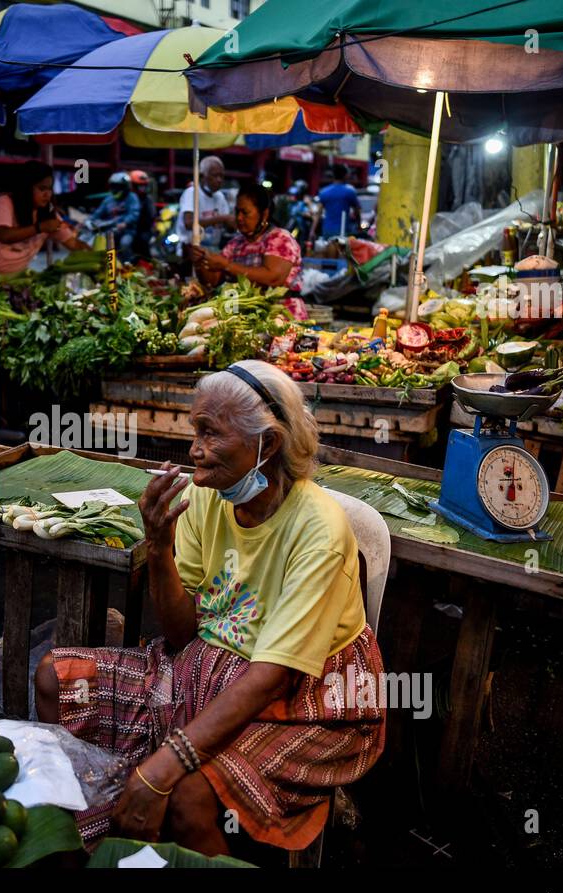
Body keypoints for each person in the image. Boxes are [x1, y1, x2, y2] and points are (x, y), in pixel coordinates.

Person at [35, 360, 385, 856]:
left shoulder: (318, 530)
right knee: (56, 678)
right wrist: (158, 547)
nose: (194, 450)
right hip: (202, 671)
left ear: (268, 445)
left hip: (306, 700)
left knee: (187, 795)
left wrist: (165, 765)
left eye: (210, 434)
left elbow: (274, 675)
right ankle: (98, 838)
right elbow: (181, 634)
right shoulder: (210, 495)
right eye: (194, 431)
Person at [191, 181, 309, 322]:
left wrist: (227, 265)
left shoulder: (280, 238)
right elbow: (213, 280)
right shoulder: (236, 243)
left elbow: (273, 277)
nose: (239, 218)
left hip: (283, 317)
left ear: (264, 214)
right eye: (237, 212)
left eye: (245, 212)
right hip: (248, 319)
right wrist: (200, 262)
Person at [0, 160, 88, 277]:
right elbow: (4, 236)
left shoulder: (48, 212)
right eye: (42, 189)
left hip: (12, 279)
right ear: (26, 187)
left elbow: (72, 243)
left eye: (50, 189)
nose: (47, 194)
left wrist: (99, 256)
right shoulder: (3, 203)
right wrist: (40, 227)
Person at [177, 155, 234, 254]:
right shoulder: (192, 193)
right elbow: (188, 223)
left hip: (212, 249)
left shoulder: (220, 197)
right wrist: (222, 218)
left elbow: (228, 224)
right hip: (191, 250)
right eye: (215, 176)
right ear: (202, 176)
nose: (219, 180)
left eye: (221, 176)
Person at [89, 172, 142, 261]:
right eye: (113, 186)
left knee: (124, 244)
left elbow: (134, 213)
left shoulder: (132, 198)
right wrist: (87, 221)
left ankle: (129, 264)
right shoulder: (109, 199)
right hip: (109, 229)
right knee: (100, 244)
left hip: (127, 230)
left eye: (118, 186)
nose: (115, 189)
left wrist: (125, 223)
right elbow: (98, 213)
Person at [311, 163, 362, 241]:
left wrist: (312, 231)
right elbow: (357, 212)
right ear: (345, 175)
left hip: (327, 231)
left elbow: (318, 213)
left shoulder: (324, 192)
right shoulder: (350, 191)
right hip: (343, 231)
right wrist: (359, 226)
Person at [129, 169, 157, 260]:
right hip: (128, 229)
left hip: (143, 231)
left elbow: (150, 217)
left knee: (142, 243)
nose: (142, 188)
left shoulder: (147, 199)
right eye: (139, 186)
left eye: (144, 186)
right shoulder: (126, 199)